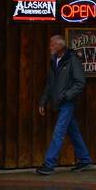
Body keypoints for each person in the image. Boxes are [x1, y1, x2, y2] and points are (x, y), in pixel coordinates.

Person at [36, 34, 91, 175]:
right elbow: (50, 84)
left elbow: (80, 82)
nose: (50, 47)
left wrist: (67, 96)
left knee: (58, 132)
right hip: (58, 102)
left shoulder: (72, 60)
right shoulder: (54, 60)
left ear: (60, 45)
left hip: (67, 102)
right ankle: (84, 159)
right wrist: (43, 100)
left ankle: (49, 164)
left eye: (52, 44)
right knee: (73, 131)